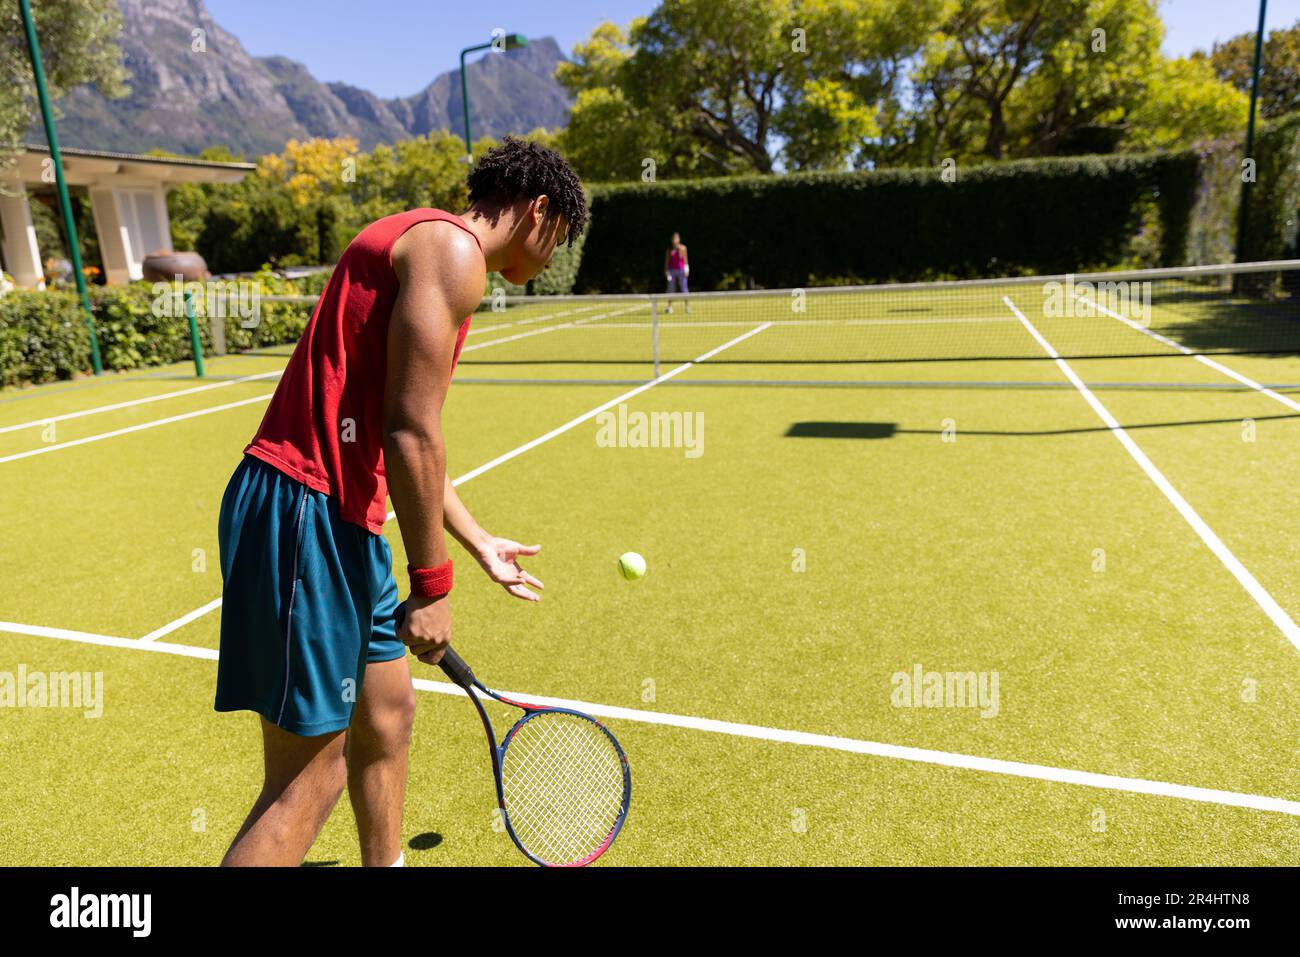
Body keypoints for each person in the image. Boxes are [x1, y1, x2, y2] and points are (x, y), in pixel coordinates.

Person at [213, 136, 588, 867]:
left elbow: (401, 428)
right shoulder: (454, 255)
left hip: (340, 517)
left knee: (386, 713)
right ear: (538, 210)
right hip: (304, 509)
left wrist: (476, 539)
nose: (553, 258)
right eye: (559, 238)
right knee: (307, 780)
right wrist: (432, 586)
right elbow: (410, 429)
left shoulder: (427, 240)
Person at [663, 231, 690, 313]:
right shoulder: (669, 250)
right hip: (672, 271)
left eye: (676, 238)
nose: (675, 240)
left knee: (684, 288)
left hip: (681, 270)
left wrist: (687, 269)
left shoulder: (683, 248)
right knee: (671, 289)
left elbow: (685, 260)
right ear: (672, 240)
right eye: (673, 238)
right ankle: (669, 307)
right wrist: (666, 271)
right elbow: (667, 261)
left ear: (679, 239)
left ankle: (687, 307)